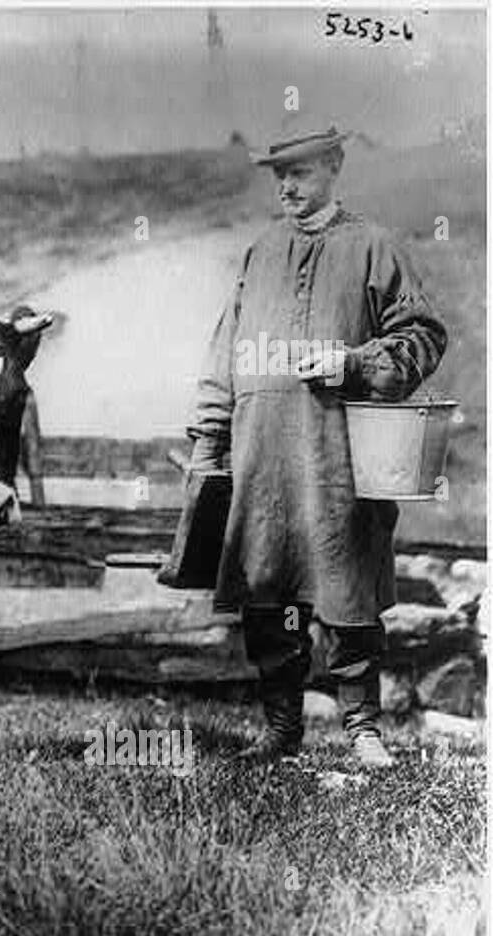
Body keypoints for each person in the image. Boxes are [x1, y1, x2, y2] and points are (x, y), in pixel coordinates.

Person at [187, 122, 448, 767]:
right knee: (268, 586)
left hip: (338, 457)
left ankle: (362, 727)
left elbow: (424, 337)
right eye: (278, 174)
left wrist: (353, 362)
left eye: (299, 171)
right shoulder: (258, 254)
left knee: (347, 584)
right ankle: (281, 730)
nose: (286, 185)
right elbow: (224, 356)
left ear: (333, 166)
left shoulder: (373, 247)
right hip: (263, 460)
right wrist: (209, 438)